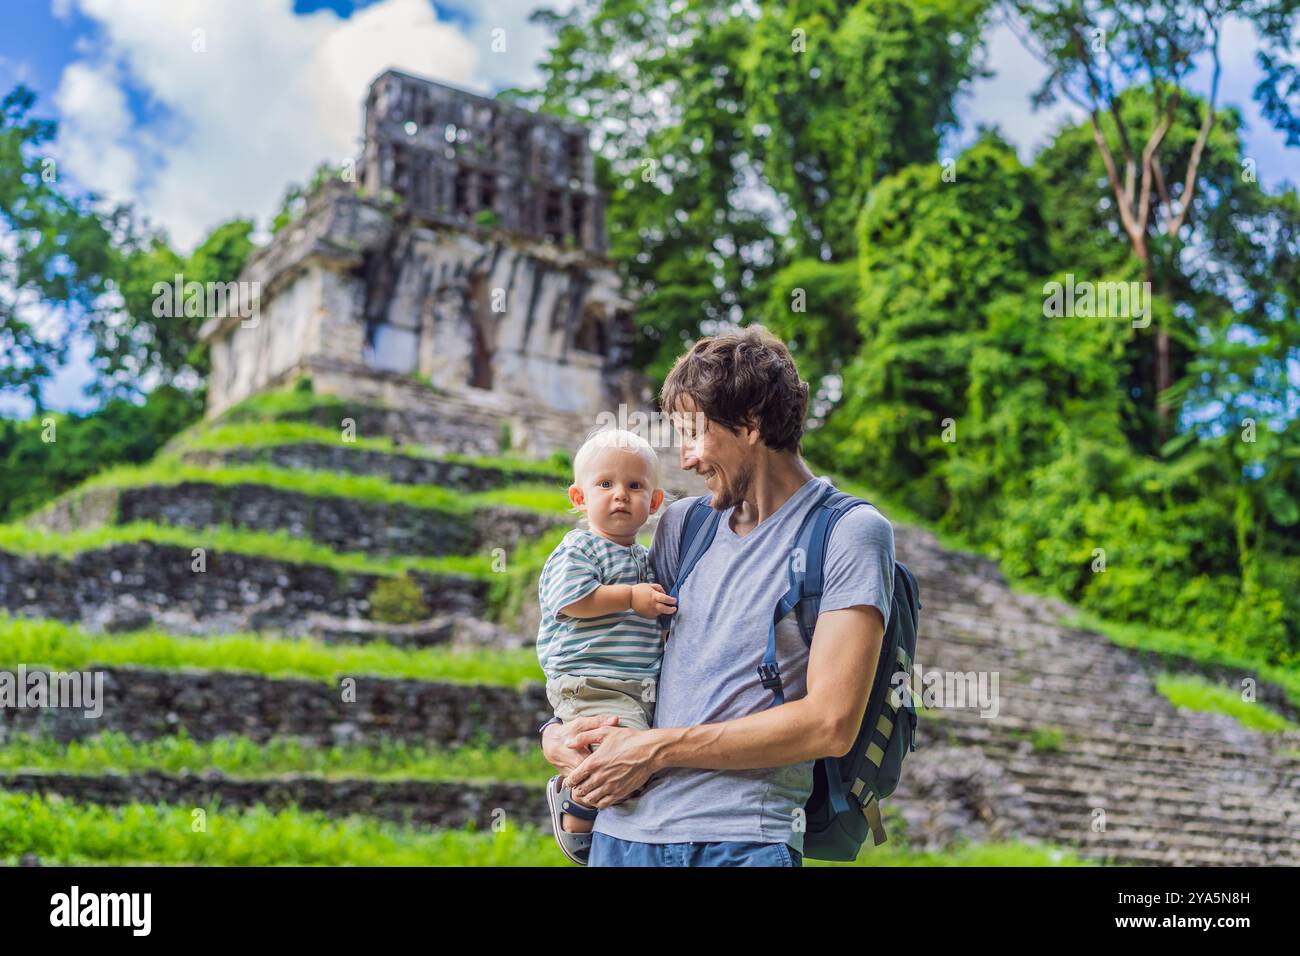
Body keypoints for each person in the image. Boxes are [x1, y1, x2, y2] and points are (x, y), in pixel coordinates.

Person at [540, 325, 894, 867]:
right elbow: (604, 641)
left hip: (743, 842)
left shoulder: (848, 532)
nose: (684, 460)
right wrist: (556, 733)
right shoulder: (685, 526)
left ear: (750, 424)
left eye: (693, 434)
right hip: (622, 836)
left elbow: (830, 723)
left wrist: (655, 749)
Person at [535, 427, 677, 864]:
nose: (620, 495)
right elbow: (573, 601)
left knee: (629, 760)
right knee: (619, 758)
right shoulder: (579, 548)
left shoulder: (644, 557)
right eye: (605, 484)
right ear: (579, 498)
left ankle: (585, 802)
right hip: (590, 680)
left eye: (634, 486)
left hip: (632, 686)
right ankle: (573, 804)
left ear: (653, 504)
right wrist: (632, 598)